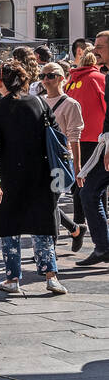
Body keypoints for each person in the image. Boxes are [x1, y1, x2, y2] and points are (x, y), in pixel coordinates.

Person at [0, 56, 65, 296]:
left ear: (2, 82)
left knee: (9, 228)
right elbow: (55, 135)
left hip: (8, 175)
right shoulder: (40, 104)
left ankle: (13, 278)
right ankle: (51, 275)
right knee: (41, 224)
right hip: (40, 174)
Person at [40, 61, 86, 250]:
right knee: (45, 203)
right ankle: (75, 229)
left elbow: (75, 138)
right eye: (42, 76)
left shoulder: (71, 104)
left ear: (61, 78)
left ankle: (49, 250)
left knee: (50, 204)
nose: (45, 80)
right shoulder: (39, 101)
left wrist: (78, 169)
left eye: (50, 75)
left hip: (60, 160)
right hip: (41, 159)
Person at [76, 30, 109, 267]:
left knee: (89, 192)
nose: (94, 50)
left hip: (100, 143)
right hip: (100, 142)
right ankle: (103, 247)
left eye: (99, 46)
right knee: (89, 192)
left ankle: (103, 247)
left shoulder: (99, 77)